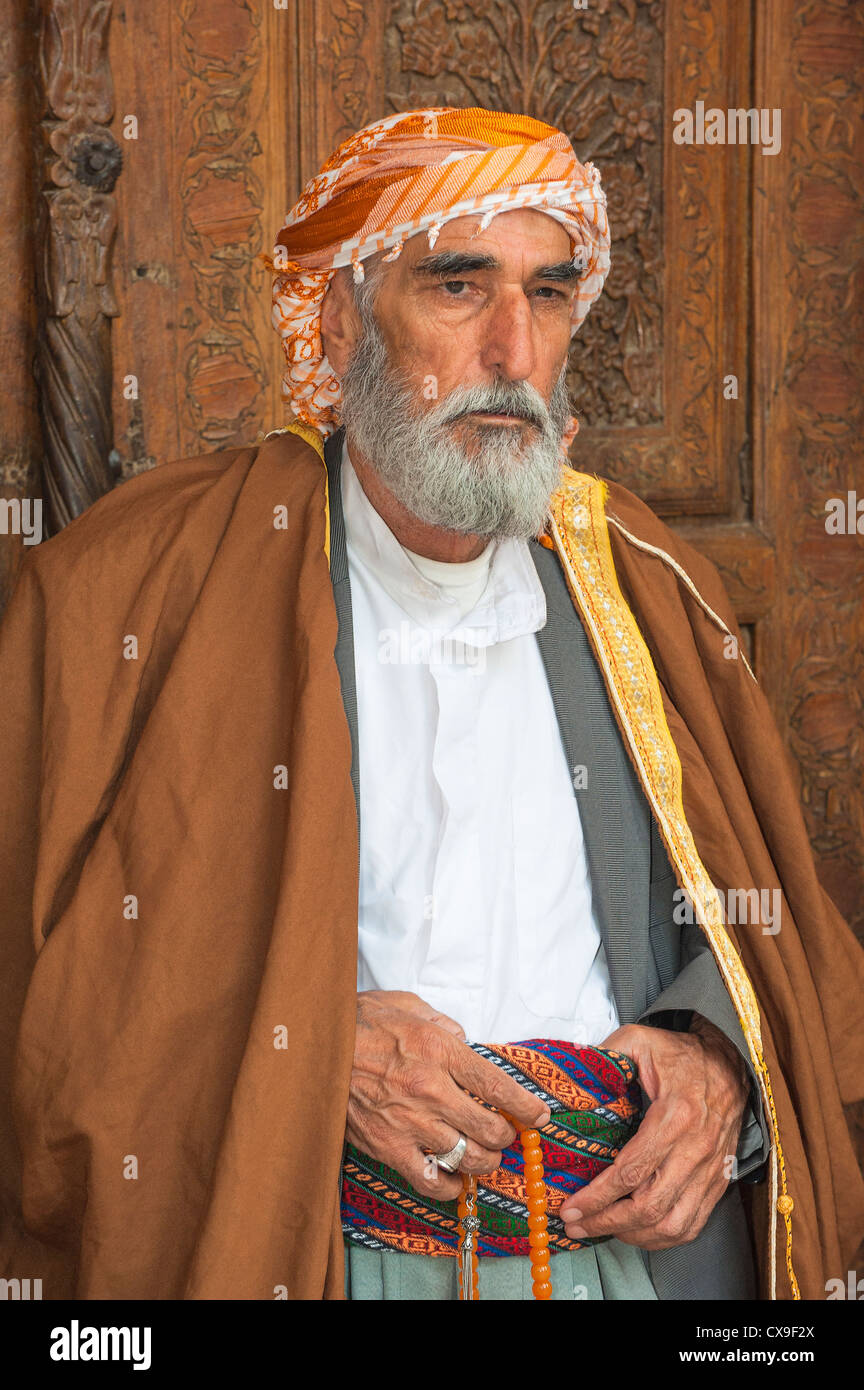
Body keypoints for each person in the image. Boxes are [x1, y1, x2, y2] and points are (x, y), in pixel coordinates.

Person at [0, 107, 861, 1302]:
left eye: (550, 295)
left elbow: (773, 934)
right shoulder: (135, 587)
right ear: (345, 316)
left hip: (634, 1265)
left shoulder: (647, 582)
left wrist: (718, 1057)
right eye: (460, 287)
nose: (514, 350)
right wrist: (307, 1041)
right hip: (324, 1255)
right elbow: (43, 1001)